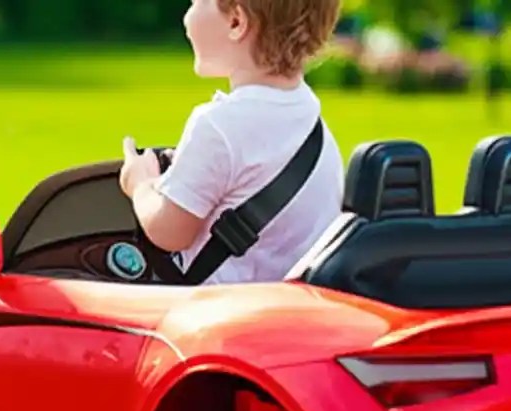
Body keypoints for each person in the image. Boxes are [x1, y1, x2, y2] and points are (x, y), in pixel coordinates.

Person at [119, 0, 344, 285]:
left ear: (236, 22)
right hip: (292, 311)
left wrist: (141, 184)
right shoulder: (312, 122)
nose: (187, 19)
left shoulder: (217, 125)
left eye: (195, 3)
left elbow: (169, 232)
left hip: (222, 314)